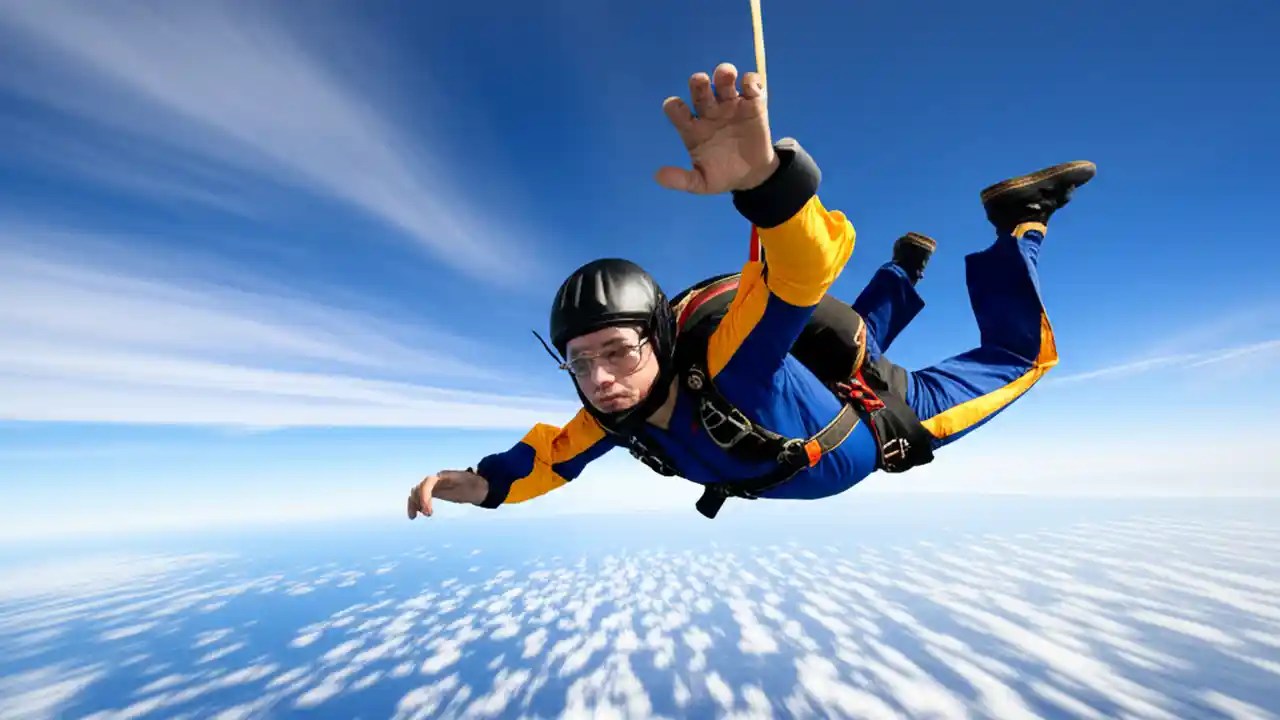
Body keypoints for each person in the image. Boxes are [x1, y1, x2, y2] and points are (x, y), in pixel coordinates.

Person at [407, 61, 1095, 521]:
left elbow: (795, 276)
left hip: (876, 425)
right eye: (580, 363)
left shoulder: (730, 357)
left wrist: (769, 186)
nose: (600, 379)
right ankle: (903, 272)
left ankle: (1020, 226)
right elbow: (550, 456)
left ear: (661, 337)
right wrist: (481, 484)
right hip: (816, 406)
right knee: (853, 336)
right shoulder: (613, 416)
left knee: (1018, 357)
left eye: (616, 351)